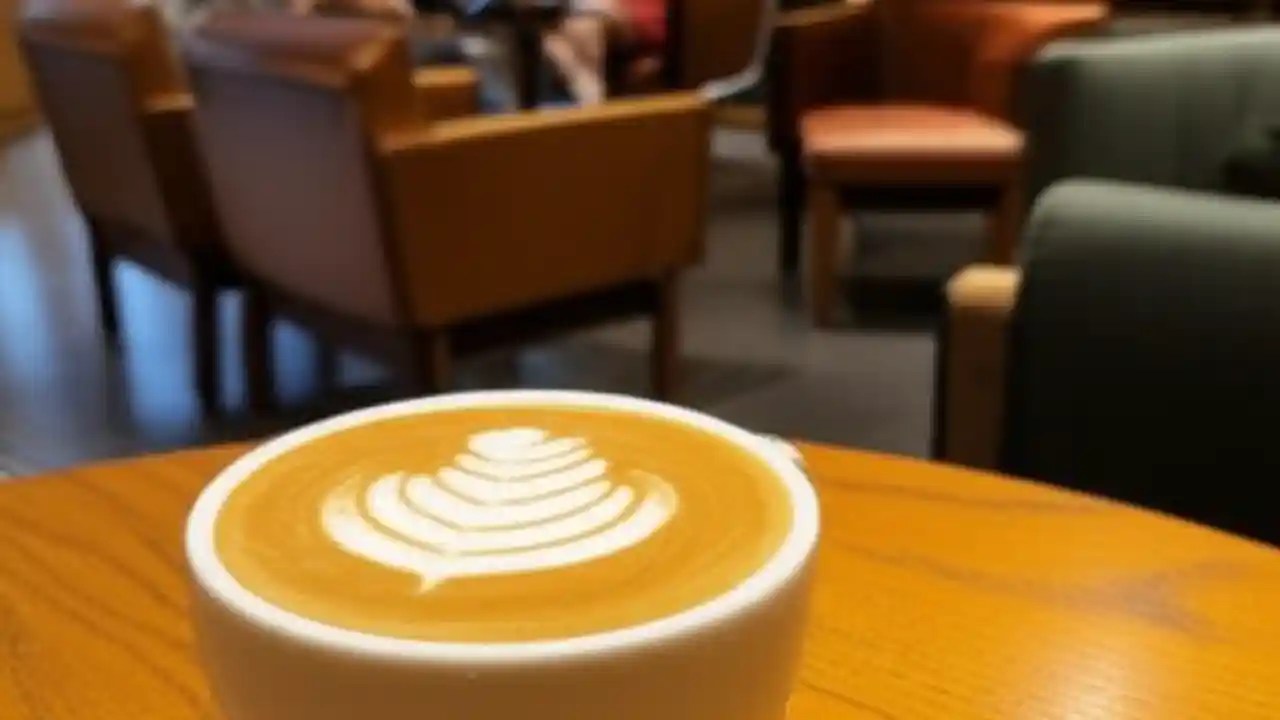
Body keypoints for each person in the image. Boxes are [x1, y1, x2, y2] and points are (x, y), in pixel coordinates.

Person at [542, 0, 665, 104]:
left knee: (582, 29)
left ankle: (592, 102)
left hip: (639, 24)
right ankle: (591, 99)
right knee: (554, 44)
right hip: (609, 21)